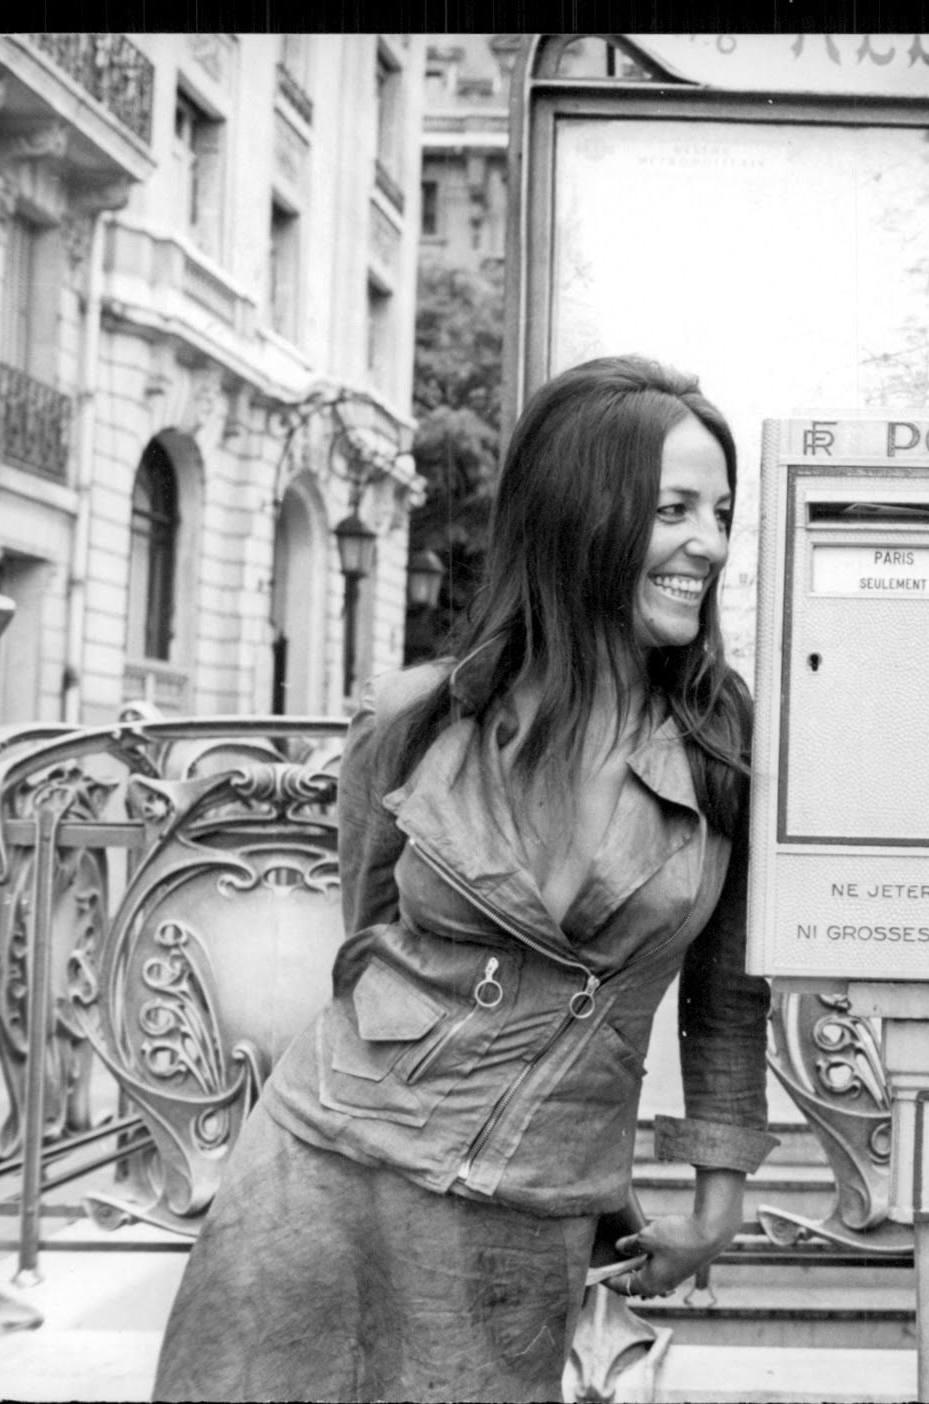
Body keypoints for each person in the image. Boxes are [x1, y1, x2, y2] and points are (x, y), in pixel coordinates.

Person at [154, 355, 777, 1403]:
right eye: (673, 510)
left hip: (525, 1202)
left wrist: (719, 1190)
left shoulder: (721, 741)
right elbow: (368, 939)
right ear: (582, 516)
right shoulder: (418, 719)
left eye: (718, 513)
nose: (707, 545)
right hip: (319, 1162)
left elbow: (726, 996)